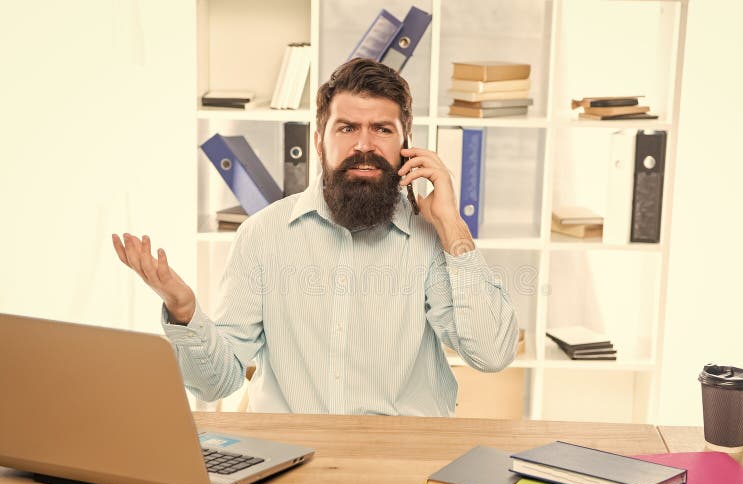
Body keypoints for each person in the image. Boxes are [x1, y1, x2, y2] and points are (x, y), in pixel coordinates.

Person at [112, 58, 518, 416]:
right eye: (347, 128)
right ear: (319, 142)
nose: (364, 145)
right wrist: (184, 311)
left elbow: (492, 355)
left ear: (406, 144)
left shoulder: (430, 237)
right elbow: (216, 383)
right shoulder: (263, 235)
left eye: (382, 129)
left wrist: (452, 226)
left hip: (401, 453)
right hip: (291, 454)